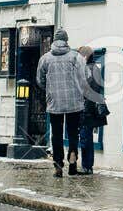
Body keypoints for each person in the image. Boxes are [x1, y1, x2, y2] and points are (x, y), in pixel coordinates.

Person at [35, 28, 87, 178]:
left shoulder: (45, 59)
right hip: (74, 102)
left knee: (56, 134)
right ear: (66, 40)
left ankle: (58, 165)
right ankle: (72, 160)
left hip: (54, 102)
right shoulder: (76, 57)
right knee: (72, 132)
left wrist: (50, 89)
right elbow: (85, 77)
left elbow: (40, 80)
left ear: (54, 41)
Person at [76, 44, 105, 176]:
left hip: (86, 108)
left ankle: (86, 166)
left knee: (85, 138)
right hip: (90, 107)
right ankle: (88, 166)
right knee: (87, 138)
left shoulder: (88, 69)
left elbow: (88, 90)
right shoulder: (95, 68)